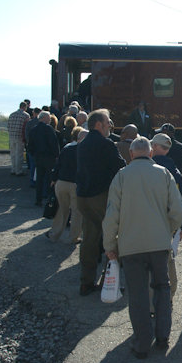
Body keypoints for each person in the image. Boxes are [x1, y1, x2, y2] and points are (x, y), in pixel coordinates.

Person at [103, 137, 182, 359]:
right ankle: (162, 337)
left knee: (138, 294)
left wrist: (110, 245)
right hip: (159, 244)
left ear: (131, 154)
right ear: (150, 154)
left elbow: (111, 216)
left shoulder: (121, 176)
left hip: (130, 246)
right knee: (162, 288)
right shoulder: (164, 174)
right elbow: (179, 210)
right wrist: (166, 230)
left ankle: (141, 344)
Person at [75, 109, 125, 296]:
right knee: (112, 238)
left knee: (89, 238)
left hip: (83, 197)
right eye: (107, 123)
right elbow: (121, 168)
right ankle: (110, 281)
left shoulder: (82, 144)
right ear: (98, 124)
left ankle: (86, 281)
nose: (109, 127)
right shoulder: (106, 144)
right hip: (100, 197)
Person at [151, 132, 182, 297]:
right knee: (167, 257)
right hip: (168, 222)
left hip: (149, 219)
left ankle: (153, 294)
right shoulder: (175, 171)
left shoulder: (147, 168)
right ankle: (170, 291)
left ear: (155, 147)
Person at [47, 127, 85, 243]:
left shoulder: (67, 148)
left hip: (61, 182)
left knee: (61, 210)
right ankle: (73, 237)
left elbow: (58, 164)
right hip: (76, 184)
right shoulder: (85, 151)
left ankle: (54, 234)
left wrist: (53, 179)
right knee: (76, 212)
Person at [27, 111, 60, 206]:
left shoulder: (34, 130)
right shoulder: (49, 129)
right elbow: (54, 143)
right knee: (50, 179)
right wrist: (57, 155)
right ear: (44, 118)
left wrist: (33, 155)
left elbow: (30, 145)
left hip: (38, 157)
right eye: (48, 118)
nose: (50, 119)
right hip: (49, 158)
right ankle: (50, 199)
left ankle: (38, 199)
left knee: (39, 179)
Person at [7, 102, 30, 175]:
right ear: (25, 107)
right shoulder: (26, 115)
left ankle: (13, 169)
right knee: (19, 154)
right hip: (20, 136)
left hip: (11, 136)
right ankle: (18, 171)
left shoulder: (12, 114)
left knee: (13, 154)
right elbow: (26, 127)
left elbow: (8, 126)